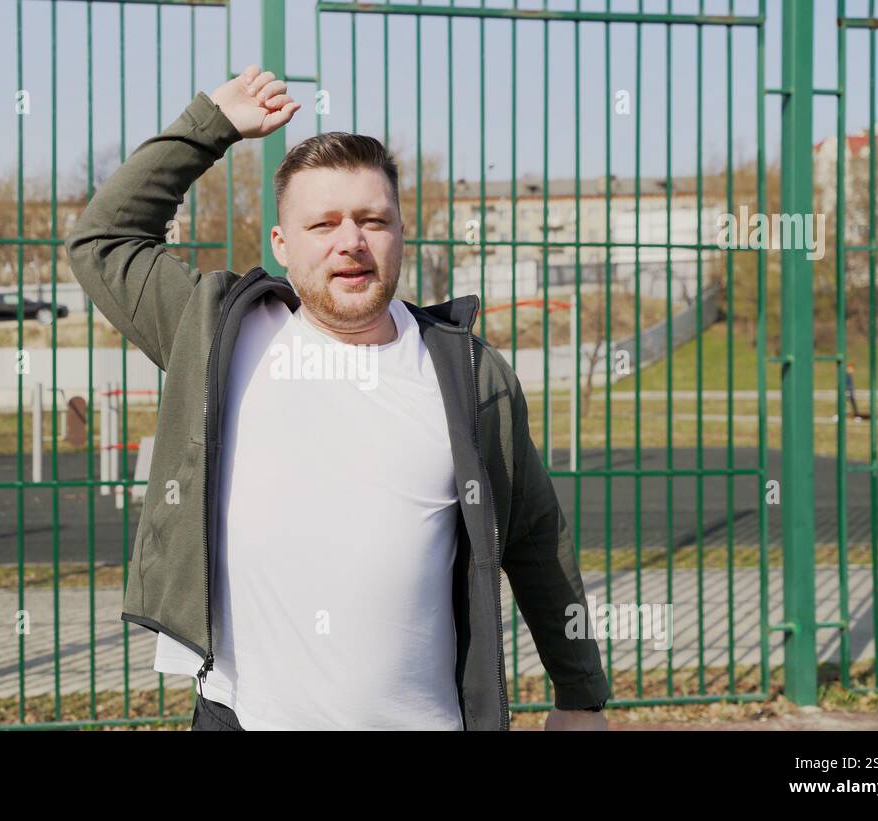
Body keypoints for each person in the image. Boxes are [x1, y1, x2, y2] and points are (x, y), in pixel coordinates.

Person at [65, 65, 609, 731]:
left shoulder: (470, 376)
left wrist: (580, 698)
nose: (350, 240)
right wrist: (210, 125)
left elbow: (534, 534)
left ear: (400, 234)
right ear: (282, 246)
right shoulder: (217, 335)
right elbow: (103, 240)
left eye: (371, 219)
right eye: (322, 223)